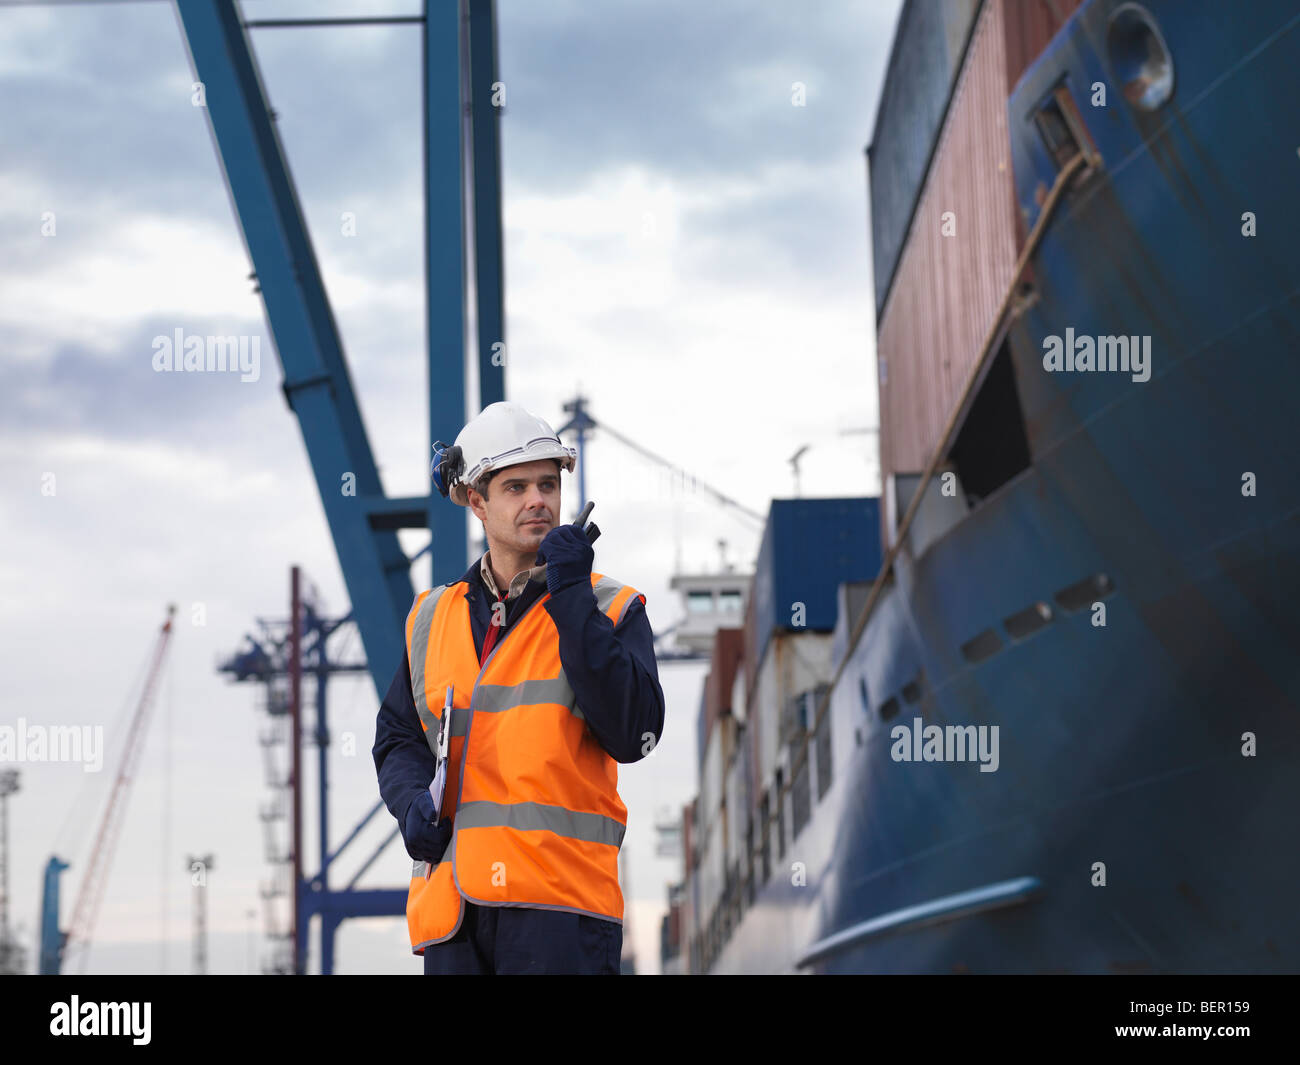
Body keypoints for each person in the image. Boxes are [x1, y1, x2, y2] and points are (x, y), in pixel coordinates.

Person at [372, 401, 665, 974]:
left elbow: (636, 732)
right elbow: (398, 740)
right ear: (477, 501)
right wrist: (410, 806)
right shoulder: (430, 618)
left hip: (560, 914)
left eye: (548, 484)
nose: (539, 500)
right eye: (516, 487)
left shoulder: (610, 607)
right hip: (454, 920)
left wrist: (572, 594)